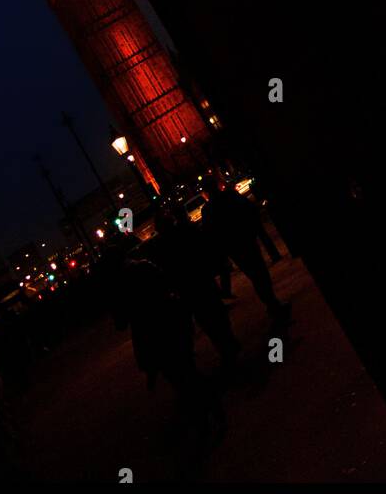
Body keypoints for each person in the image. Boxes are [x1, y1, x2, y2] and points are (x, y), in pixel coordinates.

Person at [117, 256, 224, 440]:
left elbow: (120, 322)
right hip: (172, 323)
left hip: (153, 334)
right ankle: (209, 409)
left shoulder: (121, 287)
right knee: (186, 369)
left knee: (179, 377)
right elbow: (168, 284)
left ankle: (205, 416)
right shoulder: (146, 267)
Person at [151, 207, 240, 368]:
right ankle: (229, 341)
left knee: (206, 319)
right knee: (216, 312)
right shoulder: (186, 232)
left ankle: (224, 346)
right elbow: (205, 247)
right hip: (201, 279)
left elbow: (164, 271)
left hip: (186, 287)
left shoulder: (160, 246)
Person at [201, 178, 291, 324]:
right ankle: (273, 304)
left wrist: (223, 250)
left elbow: (211, 234)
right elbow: (250, 211)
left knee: (255, 275)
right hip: (246, 241)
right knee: (260, 273)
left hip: (234, 248)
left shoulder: (208, 210)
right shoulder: (230, 197)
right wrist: (252, 230)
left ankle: (272, 304)